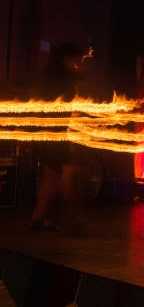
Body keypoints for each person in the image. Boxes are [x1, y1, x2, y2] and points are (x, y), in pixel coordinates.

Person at [29, 41, 91, 230]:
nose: (78, 61)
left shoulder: (57, 78)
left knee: (53, 176)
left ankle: (39, 217)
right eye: (75, 58)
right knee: (66, 174)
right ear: (66, 59)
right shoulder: (60, 81)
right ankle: (71, 216)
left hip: (54, 134)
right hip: (54, 135)